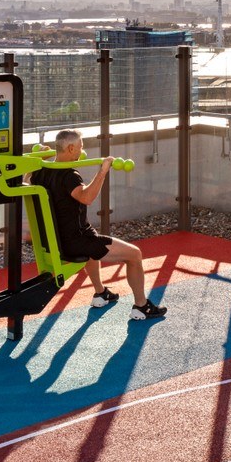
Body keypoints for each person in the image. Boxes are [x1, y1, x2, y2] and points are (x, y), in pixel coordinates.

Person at [30, 129, 166, 321]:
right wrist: (102, 171)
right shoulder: (69, 176)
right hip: (75, 242)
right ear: (70, 148)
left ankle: (101, 293)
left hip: (58, 241)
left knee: (91, 238)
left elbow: (26, 180)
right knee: (134, 254)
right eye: (80, 146)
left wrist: (39, 158)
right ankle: (142, 306)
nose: (82, 151)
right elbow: (86, 197)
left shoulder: (40, 172)